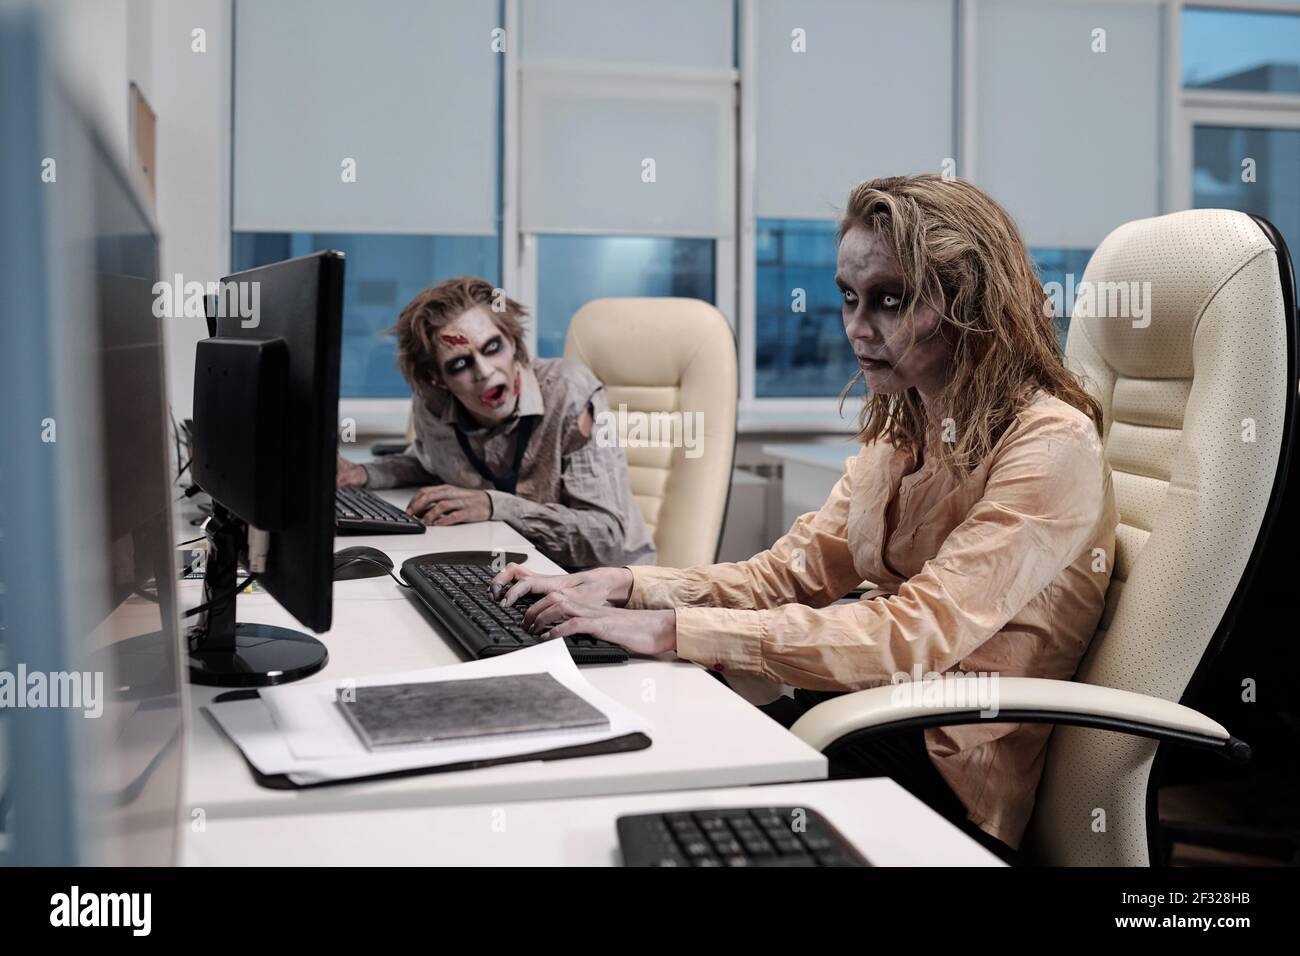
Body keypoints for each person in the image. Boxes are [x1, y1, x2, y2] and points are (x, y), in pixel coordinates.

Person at [488, 175, 1119, 857]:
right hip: (862, 714)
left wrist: (674, 631)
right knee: (629, 756)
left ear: (969, 302)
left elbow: (911, 637)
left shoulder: (1051, 445)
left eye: (889, 300)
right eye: (849, 297)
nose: (855, 326)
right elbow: (791, 572)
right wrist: (627, 586)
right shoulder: (903, 428)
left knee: (660, 799)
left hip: (946, 766)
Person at [337, 277, 655, 571]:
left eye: (492, 348)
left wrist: (494, 505)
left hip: (608, 585)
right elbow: (434, 461)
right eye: (460, 364)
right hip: (513, 568)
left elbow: (605, 538)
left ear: (513, 342)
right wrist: (365, 474)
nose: (486, 372)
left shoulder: (570, 392)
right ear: (438, 379)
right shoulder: (435, 403)